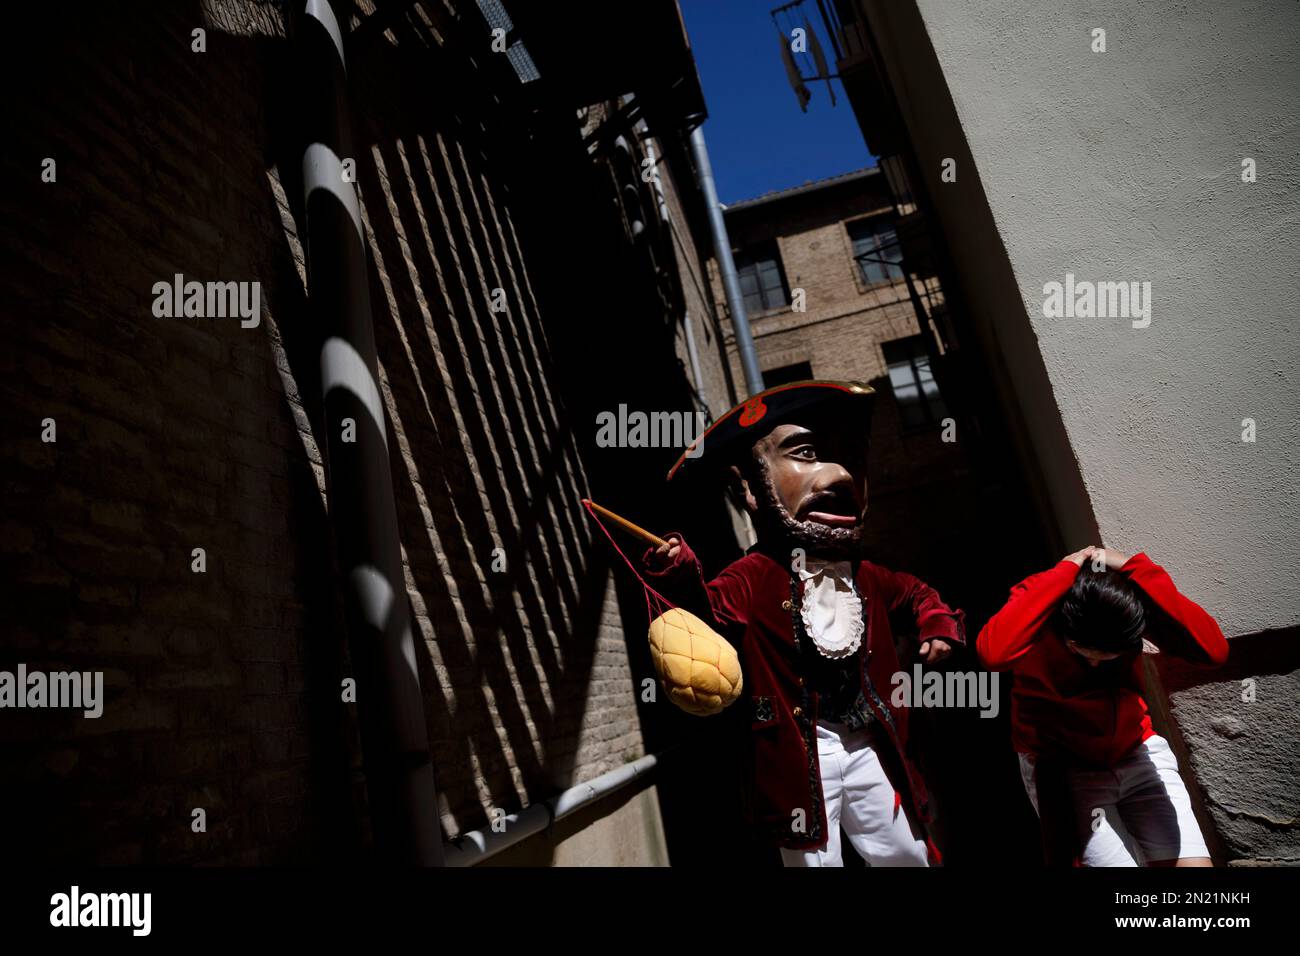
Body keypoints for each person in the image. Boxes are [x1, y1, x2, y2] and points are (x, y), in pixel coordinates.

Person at [644, 381, 965, 866]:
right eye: (809, 454)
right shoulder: (752, 578)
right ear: (749, 490)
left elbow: (918, 594)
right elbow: (707, 616)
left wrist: (937, 624)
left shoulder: (870, 576)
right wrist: (681, 570)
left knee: (906, 854)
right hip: (801, 757)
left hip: (870, 746)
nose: (839, 475)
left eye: (844, 457)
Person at [976, 544, 1229, 866]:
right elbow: (993, 654)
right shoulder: (1041, 602)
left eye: (1107, 657)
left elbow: (1213, 652)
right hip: (1065, 770)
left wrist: (1135, 567)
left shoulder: (1120, 608)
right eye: (1082, 652)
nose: (1094, 665)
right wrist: (1065, 570)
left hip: (1137, 752)